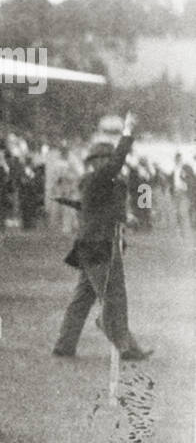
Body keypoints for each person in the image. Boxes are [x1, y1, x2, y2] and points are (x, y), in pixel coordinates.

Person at [52, 113, 151, 361]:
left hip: (93, 245)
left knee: (81, 300)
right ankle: (125, 346)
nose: (105, 163)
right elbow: (117, 163)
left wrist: (124, 217)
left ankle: (64, 346)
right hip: (99, 246)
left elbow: (99, 209)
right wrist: (127, 131)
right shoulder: (99, 178)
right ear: (98, 162)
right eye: (103, 159)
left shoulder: (104, 183)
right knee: (113, 297)